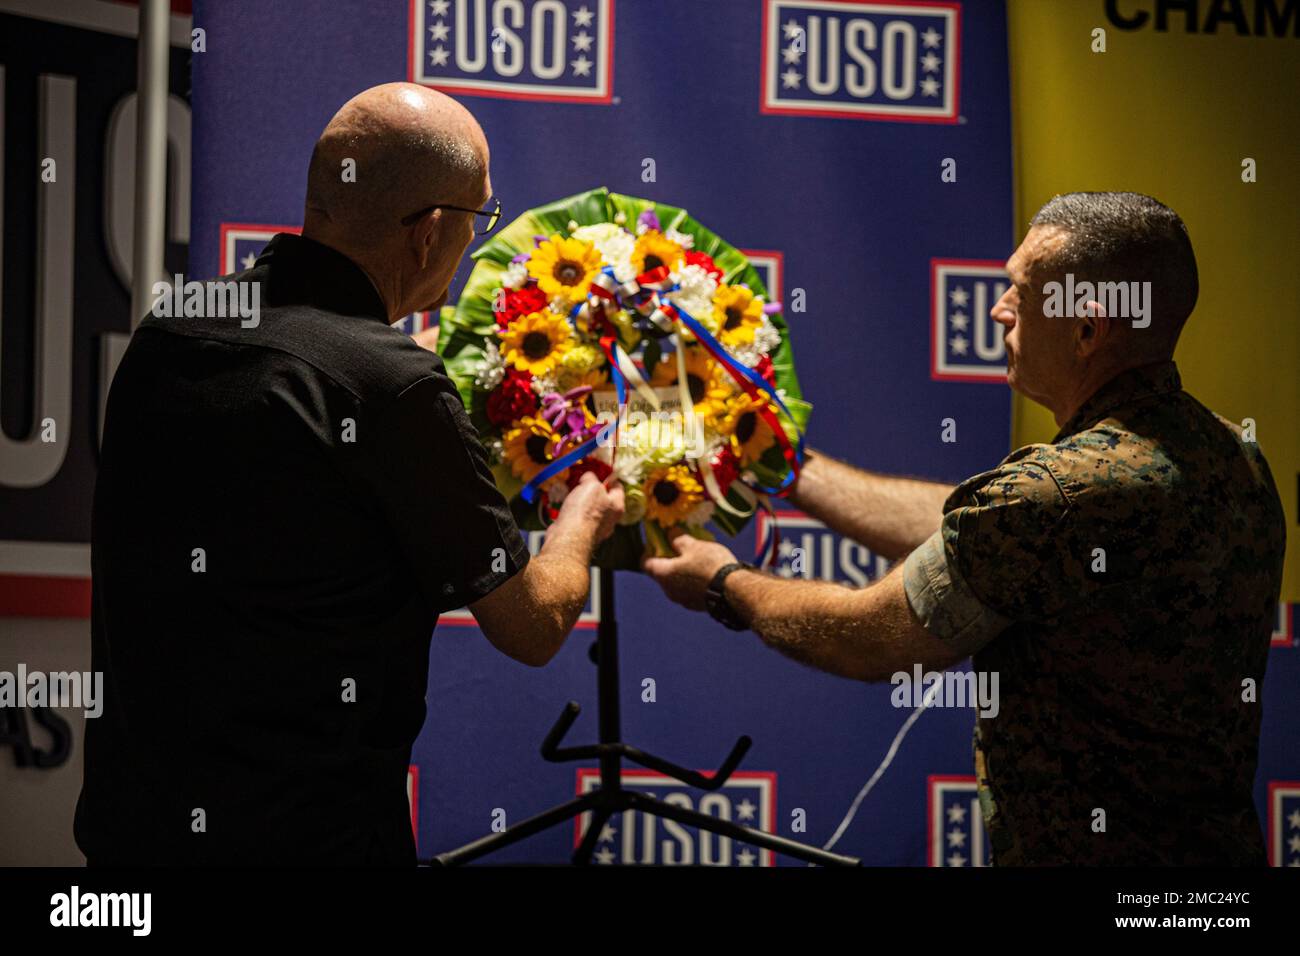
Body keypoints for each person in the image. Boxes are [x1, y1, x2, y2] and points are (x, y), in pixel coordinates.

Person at [643, 192, 1285, 866]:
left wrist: (725, 583)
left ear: (1087, 330)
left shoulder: (1051, 497)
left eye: (1020, 292)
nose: (999, 309)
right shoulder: (1234, 457)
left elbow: (870, 639)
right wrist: (782, 465)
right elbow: (980, 532)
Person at [76, 83, 623, 866]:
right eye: (480, 219)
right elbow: (531, 626)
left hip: (128, 843)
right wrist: (583, 518)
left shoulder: (169, 331)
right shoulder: (391, 385)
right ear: (432, 233)